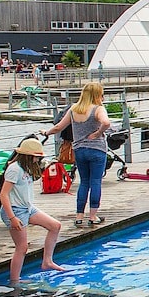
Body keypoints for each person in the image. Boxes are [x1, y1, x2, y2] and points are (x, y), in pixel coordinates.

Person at [45, 82, 112, 227]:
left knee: (84, 182)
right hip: (97, 149)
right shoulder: (98, 109)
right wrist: (98, 133)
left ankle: (79, 216)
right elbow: (106, 122)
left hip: (79, 150)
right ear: (97, 95)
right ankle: (93, 216)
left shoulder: (74, 109)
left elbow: (58, 127)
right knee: (95, 182)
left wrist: (46, 133)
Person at [0, 137, 64, 283]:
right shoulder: (14, 169)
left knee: (55, 226)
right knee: (21, 247)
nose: (37, 160)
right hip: (15, 210)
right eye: (36, 157)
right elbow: (3, 194)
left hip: (27, 207)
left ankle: (47, 261)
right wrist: (12, 217)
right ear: (28, 156)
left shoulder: (25, 168)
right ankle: (15, 280)